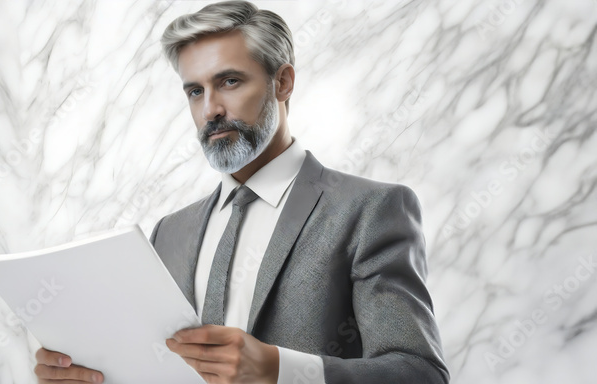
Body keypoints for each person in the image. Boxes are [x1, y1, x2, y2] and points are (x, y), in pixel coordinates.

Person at [34, 2, 448, 383]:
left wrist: (280, 371)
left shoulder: (369, 210)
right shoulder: (170, 233)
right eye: (195, 91)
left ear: (282, 82)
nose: (210, 109)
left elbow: (419, 372)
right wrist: (87, 374)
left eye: (229, 81)